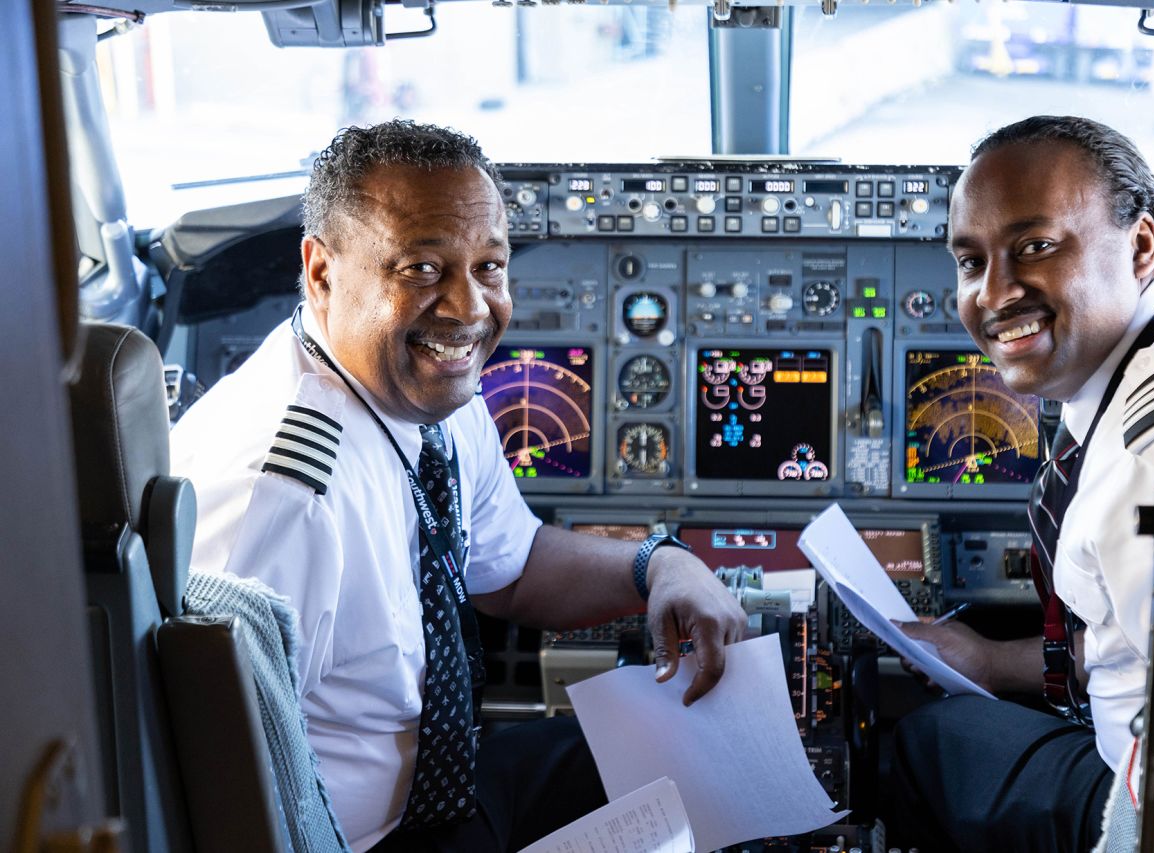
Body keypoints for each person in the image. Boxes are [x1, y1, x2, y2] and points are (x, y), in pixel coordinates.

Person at [170, 120, 747, 853]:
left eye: (489, 267)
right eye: (421, 268)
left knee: (689, 754)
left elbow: (513, 567)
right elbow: (222, 791)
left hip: (447, 784)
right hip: (366, 838)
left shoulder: (430, 391)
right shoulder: (288, 497)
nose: (470, 309)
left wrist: (660, 564)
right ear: (321, 272)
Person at [890, 115, 1154, 852]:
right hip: (1138, 759)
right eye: (970, 261)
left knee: (922, 738)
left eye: (1035, 246)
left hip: (1145, 814)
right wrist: (991, 662)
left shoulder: (1143, 468)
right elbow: (1134, 640)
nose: (994, 293)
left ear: (1140, 246)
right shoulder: (1152, 363)